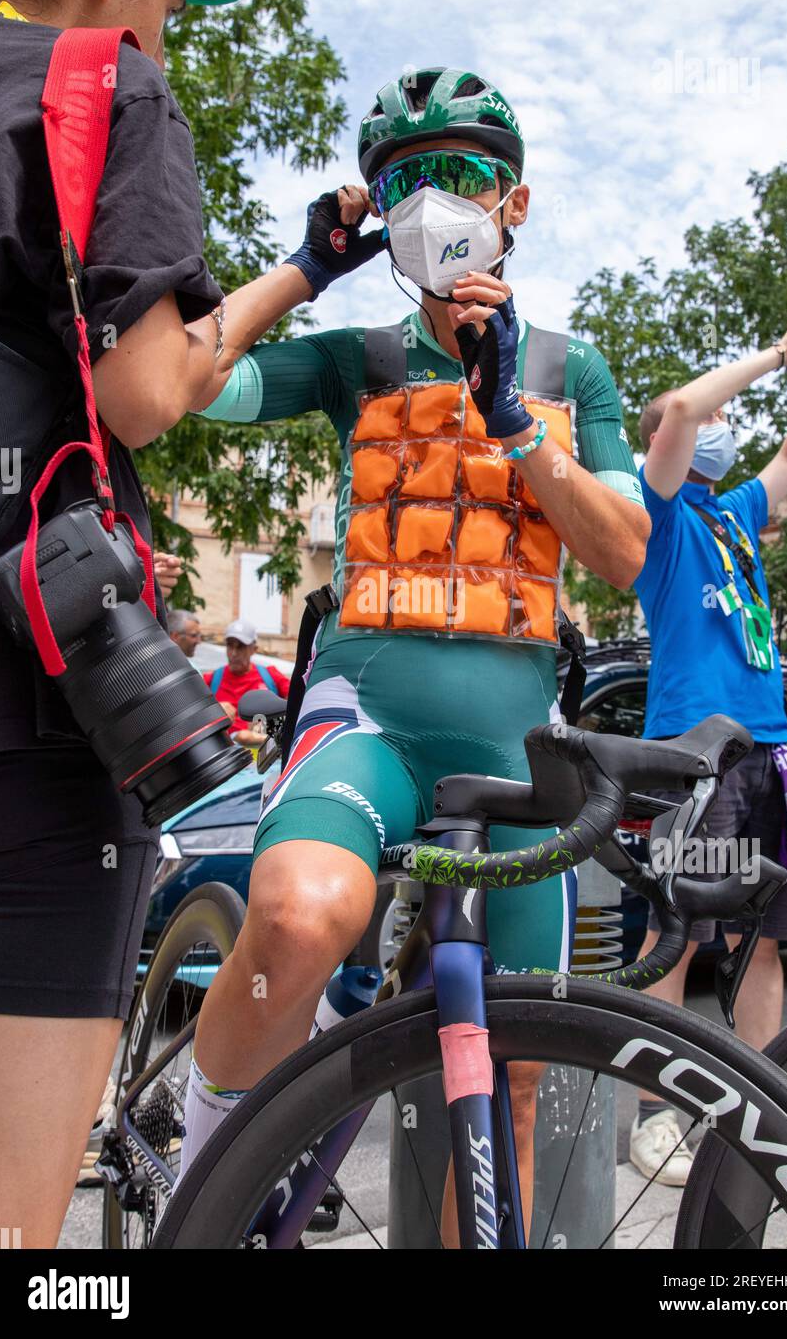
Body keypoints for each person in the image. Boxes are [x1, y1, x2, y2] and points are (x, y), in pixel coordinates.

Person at [179, 68, 651, 1241]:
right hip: (368, 715)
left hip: (515, 749)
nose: (431, 202)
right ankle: (201, 1193)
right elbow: (183, 386)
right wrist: (304, 271)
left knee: (516, 1079)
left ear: (517, 203)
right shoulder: (357, 362)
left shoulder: (570, 370)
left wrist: (511, 427)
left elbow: (629, 553)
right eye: (402, 182)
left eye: (460, 175)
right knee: (294, 917)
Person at [0, 0, 329, 1248]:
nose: (168, 31)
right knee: (9, 1226)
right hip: (23, 708)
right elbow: (146, 388)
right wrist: (293, 277)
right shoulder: (104, 89)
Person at [629, 301, 787, 1186]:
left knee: (762, 936)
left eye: (725, 422)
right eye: (715, 419)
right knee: (676, 933)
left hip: (769, 753)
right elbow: (680, 412)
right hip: (697, 752)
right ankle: (652, 1116)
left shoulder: (732, 514)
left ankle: (772, 1102)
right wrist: (778, 353)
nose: (721, 428)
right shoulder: (663, 515)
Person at [203, 617, 290, 745]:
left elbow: (299, 702)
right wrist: (213, 711)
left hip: (267, 761)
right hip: (226, 758)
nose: (233, 653)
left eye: (240, 647)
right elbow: (187, 714)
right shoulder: (211, 679)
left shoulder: (270, 675)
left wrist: (274, 722)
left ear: (254, 649)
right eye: (229, 646)